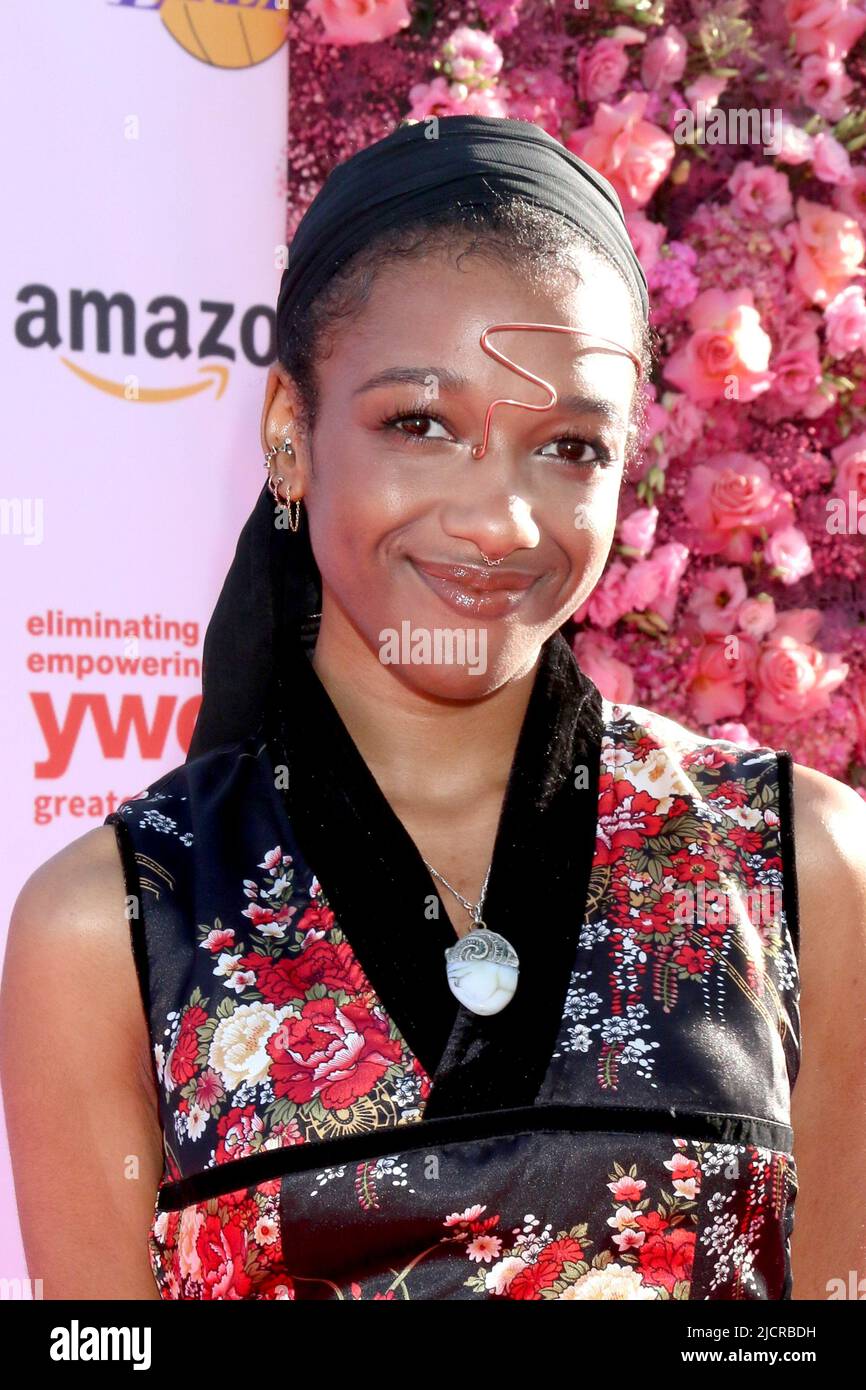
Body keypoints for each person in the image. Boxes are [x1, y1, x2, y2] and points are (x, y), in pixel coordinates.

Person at [2, 115, 865, 1302]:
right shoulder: (110, 926)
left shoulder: (800, 867)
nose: (497, 521)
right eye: (420, 424)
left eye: (569, 447)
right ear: (288, 433)